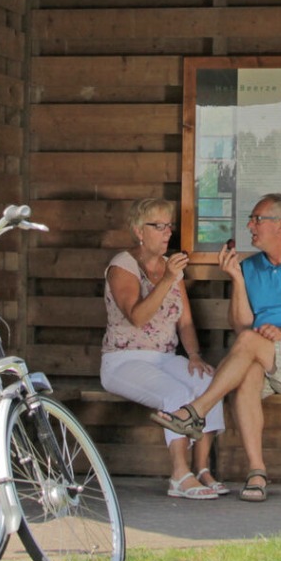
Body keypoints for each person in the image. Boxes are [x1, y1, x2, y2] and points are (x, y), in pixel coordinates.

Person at [151, 192, 281, 503]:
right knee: (248, 369)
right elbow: (241, 327)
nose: (250, 225)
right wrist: (237, 279)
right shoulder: (251, 267)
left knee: (249, 344)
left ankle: (196, 411)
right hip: (260, 359)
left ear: (280, 225)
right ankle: (257, 472)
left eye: (256, 219)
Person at [100, 197, 226, 499]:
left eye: (169, 226)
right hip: (123, 361)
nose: (167, 232)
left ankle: (201, 469)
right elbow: (138, 317)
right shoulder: (123, 266)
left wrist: (194, 355)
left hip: (165, 357)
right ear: (138, 231)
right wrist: (168, 279)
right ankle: (179, 476)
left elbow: (185, 323)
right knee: (177, 394)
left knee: (210, 382)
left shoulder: (172, 268)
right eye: (158, 226)